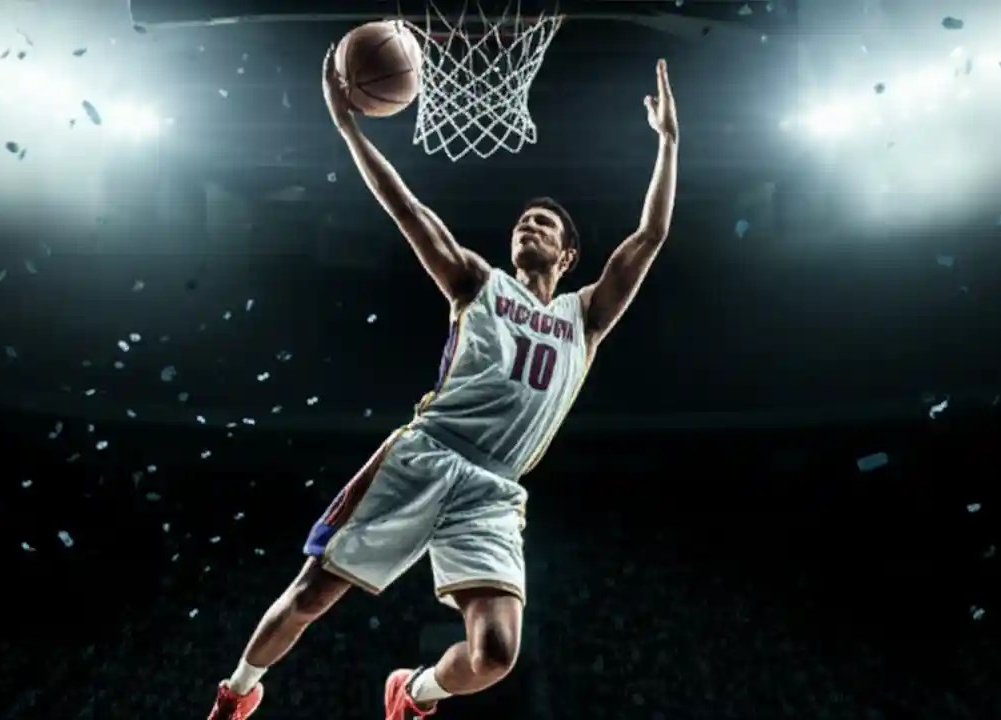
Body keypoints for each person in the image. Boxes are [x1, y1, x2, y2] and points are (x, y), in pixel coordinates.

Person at [206, 46, 678, 720]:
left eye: (543, 223)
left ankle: (415, 692)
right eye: (522, 221)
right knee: (313, 593)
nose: (527, 225)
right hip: (428, 452)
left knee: (496, 655)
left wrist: (668, 143)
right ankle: (238, 689)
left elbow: (650, 234)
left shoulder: (586, 317)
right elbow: (407, 210)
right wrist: (349, 128)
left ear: (568, 254)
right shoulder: (477, 282)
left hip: (494, 489)